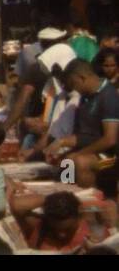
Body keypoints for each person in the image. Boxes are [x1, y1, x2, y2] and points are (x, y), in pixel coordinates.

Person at [44, 58, 119, 188]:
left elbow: (110, 139)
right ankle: (67, 194)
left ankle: (89, 200)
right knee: (64, 161)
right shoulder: (85, 97)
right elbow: (85, 136)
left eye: (74, 84)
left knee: (80, 162)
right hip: (94, 151)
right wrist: (61, 142)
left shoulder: (108, 96)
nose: (74, 90)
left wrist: (79, 153)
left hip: (111, 157)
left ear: (82, 78)